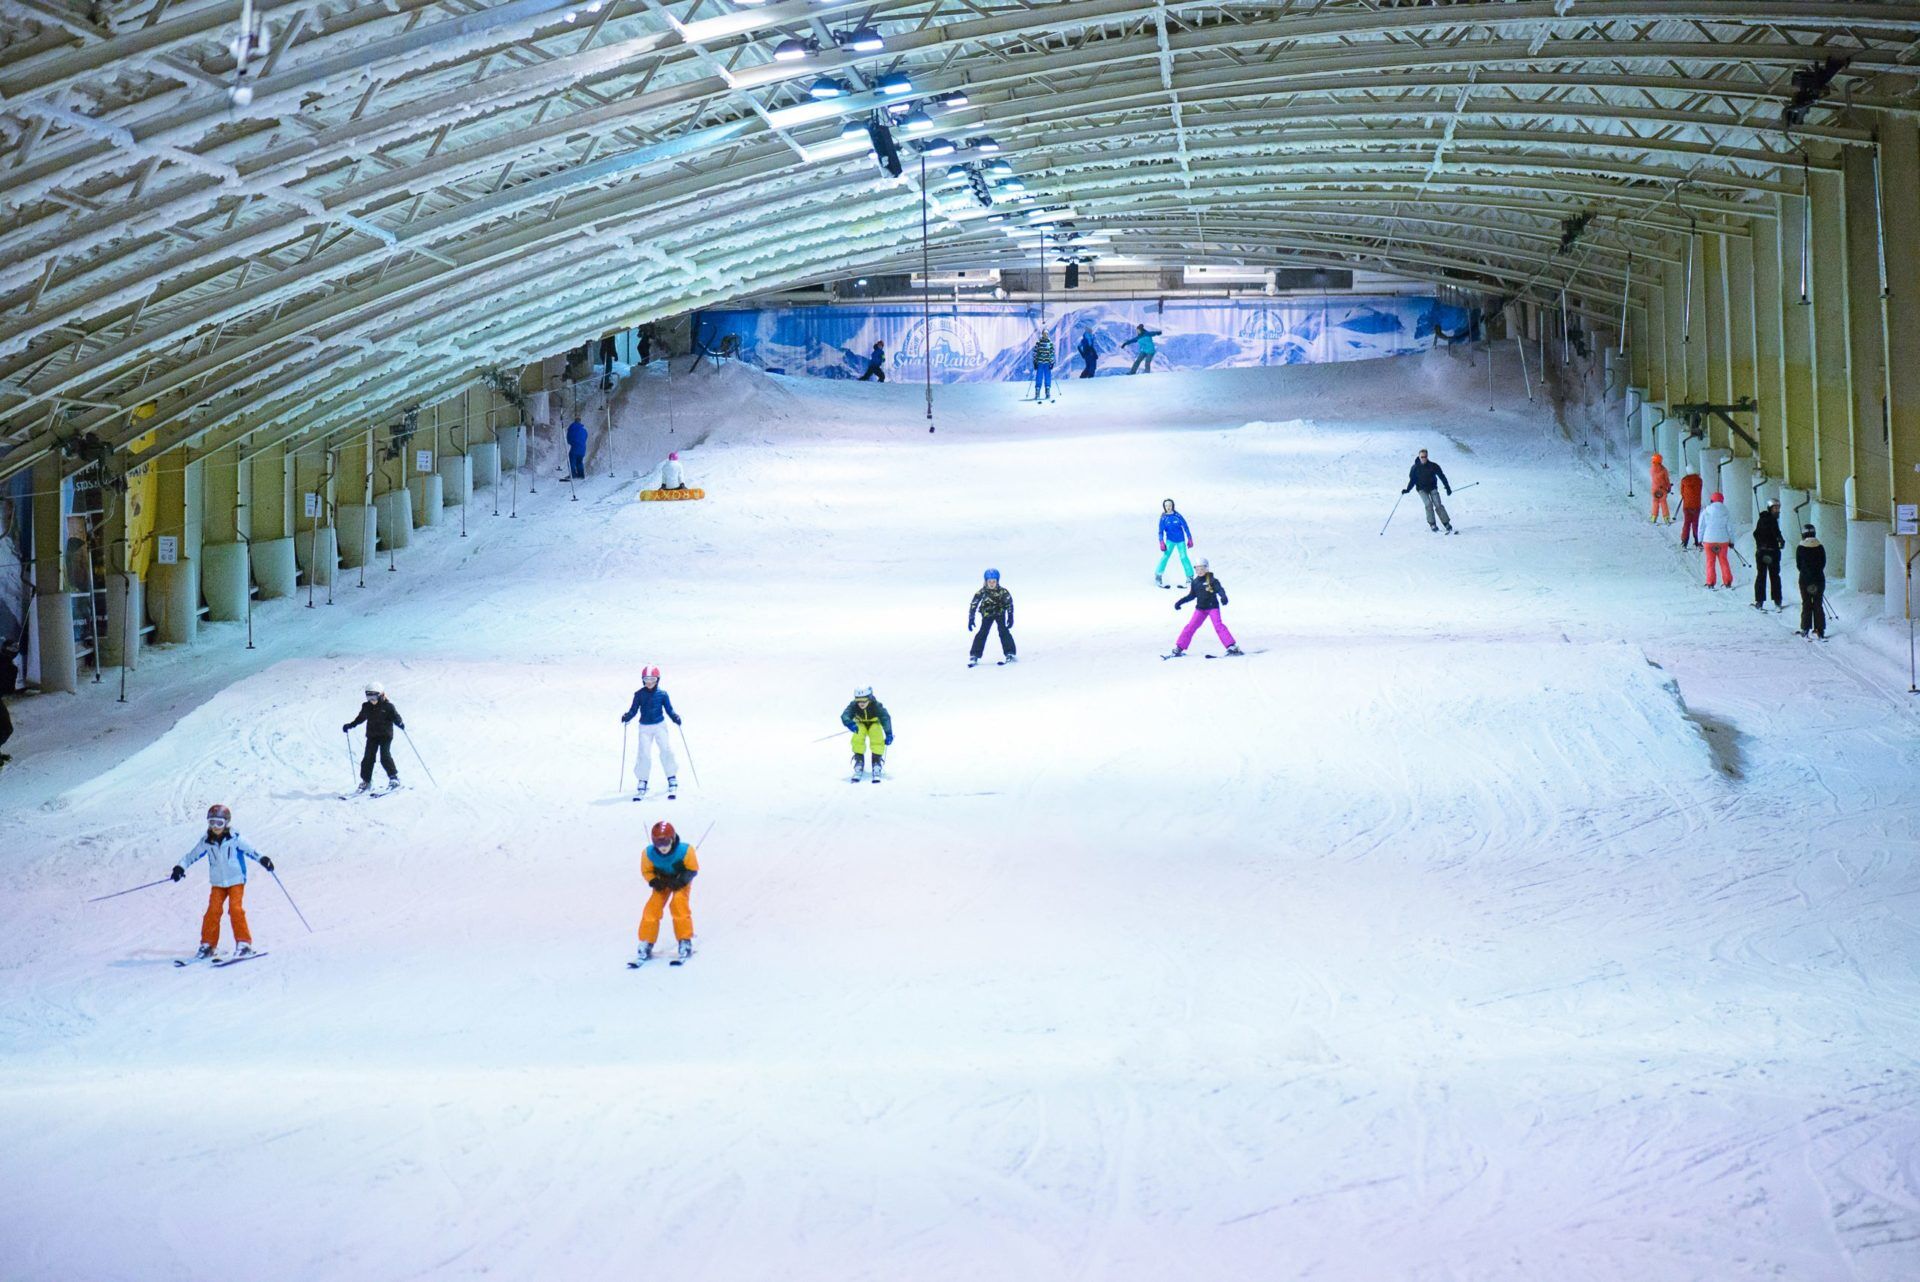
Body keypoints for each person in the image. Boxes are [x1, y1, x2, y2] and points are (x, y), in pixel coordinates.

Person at [170, 803, 274, 961]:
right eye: (212, 822)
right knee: (213, 911)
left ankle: (244, 944)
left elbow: (251, 850)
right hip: (218, 882)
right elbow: (191, 856)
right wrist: (180, 867)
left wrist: (263, 859)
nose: (215, 826)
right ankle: (208, 946)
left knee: (235, 909)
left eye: (219, 823)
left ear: (226, 823)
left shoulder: (235, 838)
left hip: (236, 880)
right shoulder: (206, 841)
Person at [635, 820, 698, 964]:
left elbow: (693, 869)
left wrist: (682, 881)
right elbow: (647, 871)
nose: (663, 848)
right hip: (662, 882)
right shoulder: (648, 854)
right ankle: (646, 941)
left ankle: (684, 941)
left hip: (680, 881)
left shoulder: (685, 851)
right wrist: (654, 881)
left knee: (678, 904)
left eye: (666, 842)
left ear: (673, 838)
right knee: (652, 908)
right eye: (658, 844)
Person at [619, 666, 681, 800]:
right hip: (644, 728)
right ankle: (643, 780)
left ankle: (671, 777)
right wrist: (627, 716)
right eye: (646, 679)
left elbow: (669, 710)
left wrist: (675, 717)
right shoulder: (639, 694)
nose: (649, 682)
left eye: (652, 679)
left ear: (657, 680)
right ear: (642, 680)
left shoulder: (663, 694)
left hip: (659, 726)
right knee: (644, 754)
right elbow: (634, 710)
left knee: (666, 750)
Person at [1170, 558, 1241, 656]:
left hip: (1213, 607)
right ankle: (1179, 648)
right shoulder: (1195, 582)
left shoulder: (1212, 580)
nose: (1199, 571)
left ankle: (1232, 647)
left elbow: (1219, 589)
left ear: (1207, 569)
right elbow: (1191, 596)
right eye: (1197, 569)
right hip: (1200, 609)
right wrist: (1180, 602)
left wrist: (1223, 596)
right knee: (1190, 626)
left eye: (1202, 569)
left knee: (1218, 626)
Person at [343, 682, 403, 793]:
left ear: (381, 695)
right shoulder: (366, 706)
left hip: (385, 735)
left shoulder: (388, 706)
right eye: (369, 696)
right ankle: (366, 781)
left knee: (384, 756)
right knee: (368, 758)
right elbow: (360, 718)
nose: (372, 699)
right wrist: (350, 725)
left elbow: (396, 716)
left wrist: (399, 722)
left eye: (374, 696)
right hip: (372, 736)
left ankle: (394, 779)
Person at [841, 686, 892, 780]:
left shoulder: (876, 705)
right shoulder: (854, 705)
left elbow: (885, 718)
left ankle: (876, 761)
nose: (861, 703)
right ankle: (859, 760)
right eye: (859, 701)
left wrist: (888, 733)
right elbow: (845, 715)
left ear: (870, 698)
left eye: (864, 700)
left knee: (876, 734)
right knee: (858, 736)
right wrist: (850, 723)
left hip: (874, 723)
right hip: (860, 723)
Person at [968, 568, 1016, 667]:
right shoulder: (981, 592)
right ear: (985, 581)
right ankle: (974, 655)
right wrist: (971, 618)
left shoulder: (1003, 592)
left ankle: (1010, 653)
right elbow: (974, 604)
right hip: (987, 615)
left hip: (1000, 614)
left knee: (1004, 632)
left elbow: (1009, 604)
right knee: (982, 633)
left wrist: (1010, 617)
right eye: (989, 581)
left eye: (994, 581)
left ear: (997, 581)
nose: (991, 584)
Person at [1402, 448, 1454, 534]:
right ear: (1419, 457)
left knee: (1438, 504)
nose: (1423, 458)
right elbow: (1412, 480)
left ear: (1427, 456)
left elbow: (1442, 476)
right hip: (1421, 489)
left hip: (1432, 487)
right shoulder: (1415, 468)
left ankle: (1446, 523)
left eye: (1425, 456)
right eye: (1422, 457)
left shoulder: (1433, 466)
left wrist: (1447, 487)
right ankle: (1432, 524)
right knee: (1428, 504)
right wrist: (1407, 489)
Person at [1752, 498, 1785, 610]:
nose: (1777, 510)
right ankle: (1776, 601)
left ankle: (1761, 601)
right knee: (1772, 576)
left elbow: (1756, 534)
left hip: (1763, 552)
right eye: (1775, 508)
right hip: (1770, 552)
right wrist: (1778, 541)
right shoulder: (1770, 520)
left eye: (1778, 508)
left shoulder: (1764, 519)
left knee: (1763, 576)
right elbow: (1774, 533)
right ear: (1770, 509)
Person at [1796, 524, 1827, 639]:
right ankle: (1820, 629)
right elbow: (1823, 563)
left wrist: (1805, 572)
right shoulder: (1820, 547)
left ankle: (1805, 628)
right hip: (1819, 579)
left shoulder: (1800, 547)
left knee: (1806, 603)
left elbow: (1799, 565)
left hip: (1805, 580)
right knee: (1818, 603)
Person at [1156, 498, 1194, 588]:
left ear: (1172, 505)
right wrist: (1161, 541)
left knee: (1183, 557)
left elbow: (1185, 527)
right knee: (1165, 557)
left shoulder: (1178, 516)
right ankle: (1158, 575)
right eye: (1166, 505)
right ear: (1164, 507)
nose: (1168, 507)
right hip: (1170, 541)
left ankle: (1190, 577)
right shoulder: (1163, 518)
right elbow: (1160, 531)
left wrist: (1189, 538)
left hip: (1180, 540)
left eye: (1170, 505)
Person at [1699, 492, 1734, 589]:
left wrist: (1699, 539)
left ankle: (1710, 582)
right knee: (1723, 560)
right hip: (1723, 541)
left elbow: (1701, 526)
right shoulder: (1726, 511)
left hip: (1708, 540)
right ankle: (1727, 582)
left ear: (1712, 500)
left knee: (1710, 561)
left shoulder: (1706, 511)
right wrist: (1731, 541)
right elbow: (1730, 528)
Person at [0, 638, 16, 773]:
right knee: (5, 728)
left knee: (5, 727)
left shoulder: (9, 666)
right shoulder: (8, 667)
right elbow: (8, 689)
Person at [1678, 468, 1704, 548]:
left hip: (1687, 506)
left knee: (1687, 524)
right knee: (1696, 524)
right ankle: (1698, 541)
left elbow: (1682, 493)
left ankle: (1684, 541)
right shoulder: (1699, 480)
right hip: (1696, 506)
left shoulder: (1684, 480)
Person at [1031, 331, 1056, 402]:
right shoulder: (1038, 343)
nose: (1046, 335)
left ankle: (1047, 392)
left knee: (1048, 377)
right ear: (1042, 334)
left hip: (1047, 363)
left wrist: (1052, 363)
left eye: (1047, 334)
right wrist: (1035, 362)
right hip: (1040, 363)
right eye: (1044, 334)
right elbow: (1035, 353)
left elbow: (1052, 353)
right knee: (1039, 377)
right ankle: (1037, 392)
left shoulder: (1050, 343)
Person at [1649, 453, 1672, 524]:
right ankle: (1666, 519)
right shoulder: (1663, 470)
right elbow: (1667, 480)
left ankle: (1653, 517)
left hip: (1654, 489)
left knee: (1655, 502)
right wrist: (1669, 487)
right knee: (1663, 503)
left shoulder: (1651, 469)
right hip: (1662, 489)